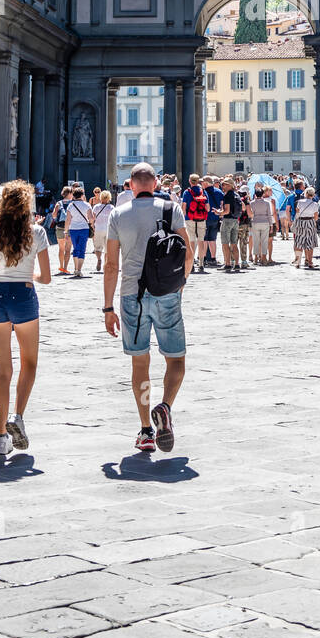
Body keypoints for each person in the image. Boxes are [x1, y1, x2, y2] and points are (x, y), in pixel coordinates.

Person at [103, 162, 194, 452]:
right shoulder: (171, 209)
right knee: (176, 360)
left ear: (130, 185)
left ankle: (145, 431)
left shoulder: (118, 214)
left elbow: (110, 264)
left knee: (140, 363)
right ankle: (165, 406)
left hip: (132, 295)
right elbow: (188, 251)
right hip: (167, 293)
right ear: (155, 184)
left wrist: (107, 307)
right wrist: (180, 284)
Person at [0, 180, 51, 457]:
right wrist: (26, 276)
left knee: (2, 370)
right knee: (29, 362)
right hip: (24, 296)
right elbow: (47, 277)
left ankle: (0, 436)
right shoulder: (37, 232)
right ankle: (18, 416)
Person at [182, 174, 210, 273]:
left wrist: (185, 218)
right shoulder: (203, 192)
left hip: (190, 218)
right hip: (201, 219)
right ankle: (201, 264)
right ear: (198, 181)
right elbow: (208, 208)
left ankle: (192, 263)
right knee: (201, 241)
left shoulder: (187, 192)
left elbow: (184, 207)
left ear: (190, 181)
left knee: (191, 241)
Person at [65, 187, 93, 277]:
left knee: (75, 249)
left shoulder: (70, 205)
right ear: (82, 195)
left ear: (73, 195)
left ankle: (75, 268)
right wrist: (91, 223)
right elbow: (91, 218)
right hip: (84, 229)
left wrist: (66, 231)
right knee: (82, 249)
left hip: (73, 229)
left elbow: (68, 219)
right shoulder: (87, 205)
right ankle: (79, 270)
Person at [292, 188, 320, 269]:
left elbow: (297, 212)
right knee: (310, 242)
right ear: (313, 195)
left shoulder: (300, 202)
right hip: (310, 222)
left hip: (301, 222)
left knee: (299, 242)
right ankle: (310, 262)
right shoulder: (315, 204)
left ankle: (298, 262)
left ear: (306, 194)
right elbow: (316, 217)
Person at [48, 187, 73, 275]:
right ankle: (66, 268)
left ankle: (61, 267)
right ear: (69, 193)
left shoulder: (59, 203)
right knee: (68, 249)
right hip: (70, 227)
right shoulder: (73, 203)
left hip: (59, 227)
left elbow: (54, 215)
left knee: (61, 248)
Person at [202, 175, 224, 268]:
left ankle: (203, 259)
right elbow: (222, 205)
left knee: (204, 240)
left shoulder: (203, 192)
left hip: (205, 218)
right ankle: (213, 258)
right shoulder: (219, 191)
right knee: (213, 240)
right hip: (215, 218)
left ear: (206, 183)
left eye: (203, 182)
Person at [220, 176, 240, 274]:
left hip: (227, 220)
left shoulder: (227, 195)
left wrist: (219, 213)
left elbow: (226, 211)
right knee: (234, 243)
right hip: (236, 220)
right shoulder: (237, 195)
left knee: (225, 243)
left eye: (224, 184)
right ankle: (237, 263)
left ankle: (227, 263)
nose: (222, 186)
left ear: (229, 185)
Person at [249, 186, 273, 265]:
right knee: (264, 241)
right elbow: (269, 214)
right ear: (262, 194)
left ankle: (256, 257)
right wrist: (271, 225)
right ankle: (264, 257)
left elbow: (251, 214)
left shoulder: (251, 203)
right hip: (265, 222)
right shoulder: (267, 203)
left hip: (255, 222)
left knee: (256, 240)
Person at [91, 191, 113, 273]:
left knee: (98, 247)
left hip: (98, 229)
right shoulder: (111, 207)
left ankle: (99, 259)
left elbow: (93, 218)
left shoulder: (96, 207)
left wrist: (93, 227)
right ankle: (106, 264)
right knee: (107, 249)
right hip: (108, 229)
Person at [237, 190, 252, 268]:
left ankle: (233, 261)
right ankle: (243, 261)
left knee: (233, 243)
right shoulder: (246, 202)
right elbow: (250, 214)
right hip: (244, 224)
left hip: (235, 223)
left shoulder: (235, 200)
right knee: (243, 243)